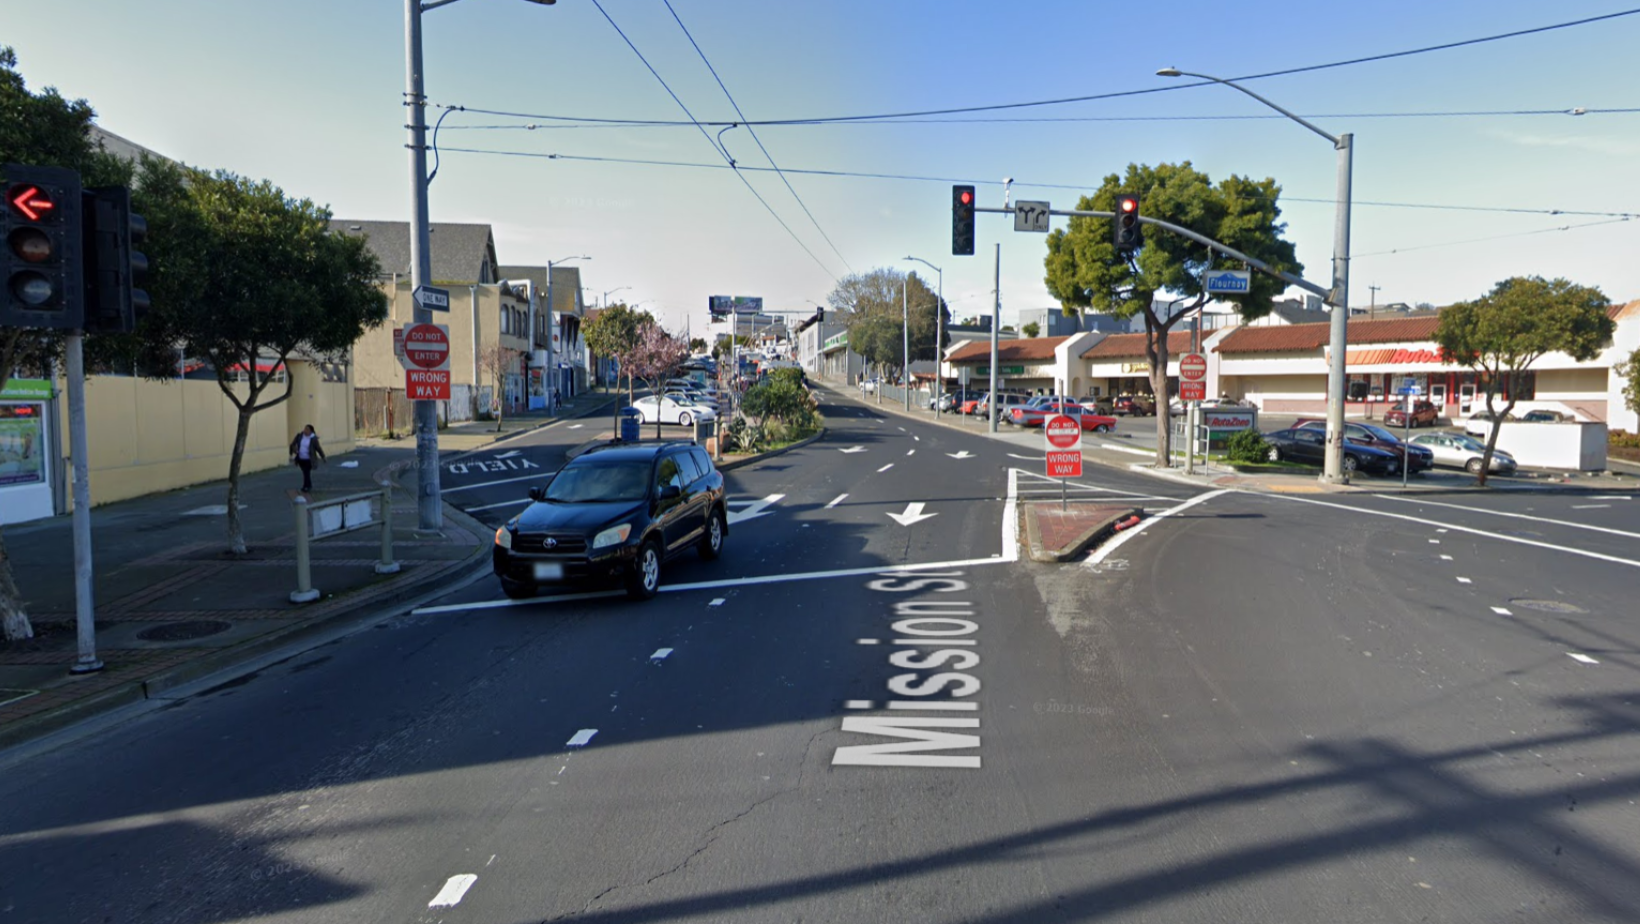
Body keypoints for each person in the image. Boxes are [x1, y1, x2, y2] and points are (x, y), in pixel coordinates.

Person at [289, 424, 325, 493]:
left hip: (309, 459)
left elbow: (318, 448)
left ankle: (306, 486)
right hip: (301, 458)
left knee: (306, 472)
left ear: (311, 431)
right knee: (305, 472)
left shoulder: (313, 438)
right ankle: (308, 485)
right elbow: (292, 444)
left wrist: (323, 457)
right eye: (305, 429)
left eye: (307, 429)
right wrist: (294, 450)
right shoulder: (299, 436)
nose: (305, 430)